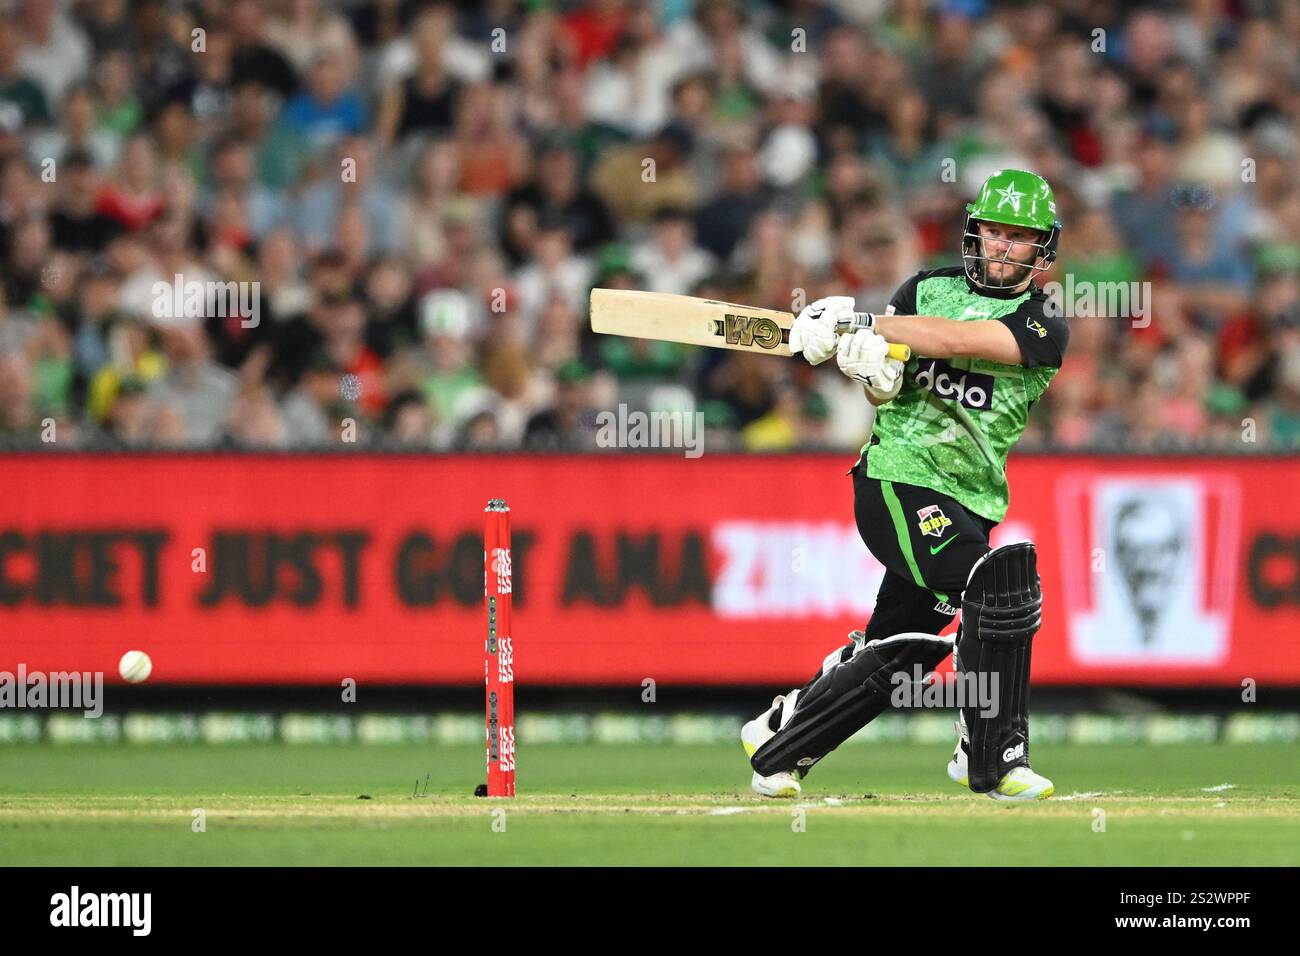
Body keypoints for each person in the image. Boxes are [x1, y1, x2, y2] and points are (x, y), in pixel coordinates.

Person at [742, 169, 1069, 803]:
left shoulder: (1043, 322)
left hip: (973, 497)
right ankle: (993, 756)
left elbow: (958, 340)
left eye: (1019, 236)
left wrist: (864, 324)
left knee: (903, 651)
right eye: (994, 231)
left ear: (1041, 248)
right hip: (898, 478)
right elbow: (883, 387)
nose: (1004, 246)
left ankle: (782, 738)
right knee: (997, 584)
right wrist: (873, 372)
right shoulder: (923, 289)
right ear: (975, 232)